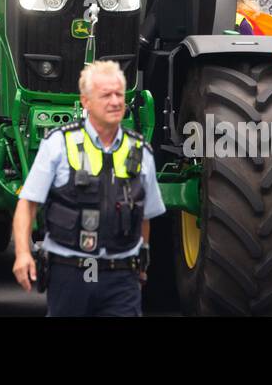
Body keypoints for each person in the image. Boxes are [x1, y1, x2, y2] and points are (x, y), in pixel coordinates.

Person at [12, 60, 164, 316]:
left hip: (122, 277)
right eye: (106, 95)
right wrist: (22, 253)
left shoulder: (141, 150)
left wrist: (142, 262)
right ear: (86, 102)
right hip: (69, 274)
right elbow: (27, 204)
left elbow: (145, 217)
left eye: (119, 94)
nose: (115, 101)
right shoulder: (59, 144)